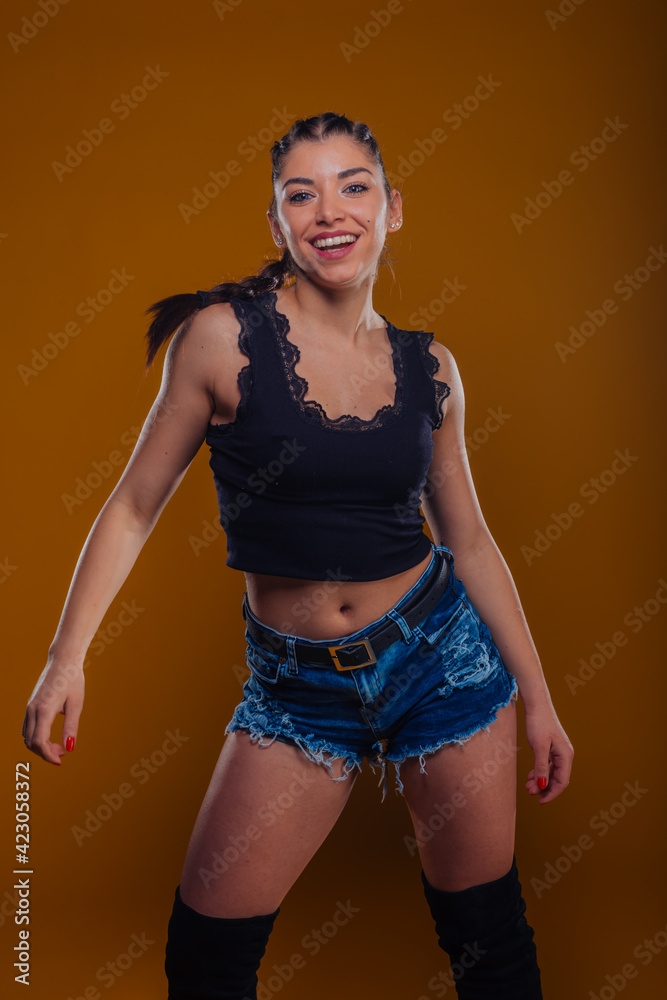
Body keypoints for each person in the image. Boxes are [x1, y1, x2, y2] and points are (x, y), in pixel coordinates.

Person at [22, 111, 573, 999]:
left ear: (391, 209)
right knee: (207, 959)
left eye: (354, 185)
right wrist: (65, 658)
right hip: (296, 688)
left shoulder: (430, 367)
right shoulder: (220, 341)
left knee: (488, 943)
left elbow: (467, 539)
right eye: (301, 192)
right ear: (276, 222)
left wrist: (539, 699)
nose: (331, 210)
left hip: (441, 660)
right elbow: (131, 506)